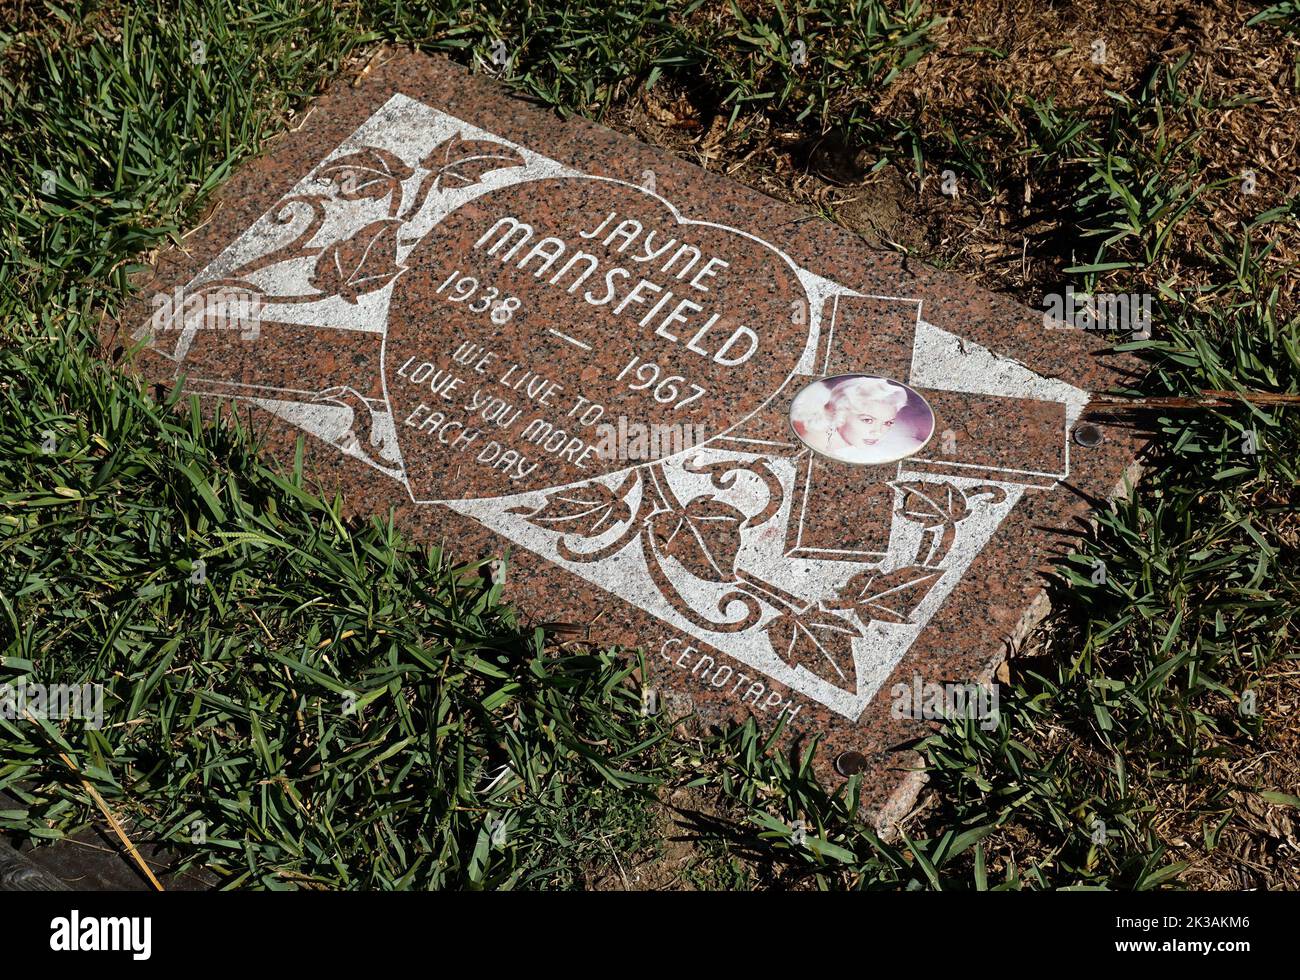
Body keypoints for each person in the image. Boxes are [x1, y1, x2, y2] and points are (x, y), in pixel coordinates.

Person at [792, 375, 924, 464]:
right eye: (867, 420)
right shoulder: (814, 442)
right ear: (840, 414)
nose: (878, 432)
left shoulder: (871, 451)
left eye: (888, 423)